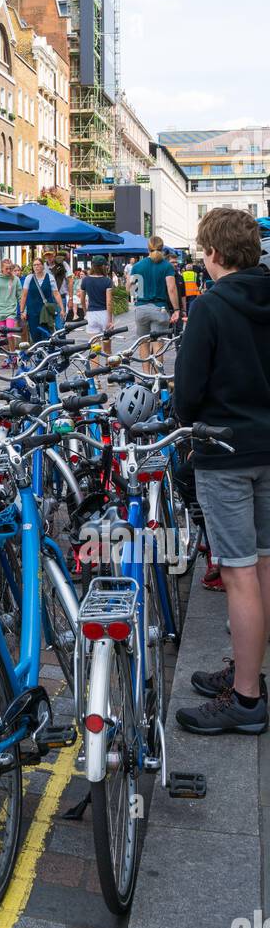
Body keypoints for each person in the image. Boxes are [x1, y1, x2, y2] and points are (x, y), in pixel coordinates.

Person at [174, 208, 270, 737]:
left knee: (237, 572)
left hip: (227, 451)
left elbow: (188, 391)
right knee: (263, 566)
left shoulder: (210, 306)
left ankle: (247, 699)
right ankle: (249, 669)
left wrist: (189, 423)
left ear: (212, 253)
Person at [128, 236, 179, 371]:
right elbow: (172, 289)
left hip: (142, 309)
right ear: (162, 248)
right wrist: (177, 309)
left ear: (148, 248)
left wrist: (141, 295)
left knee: (143, 343)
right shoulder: (167, 266)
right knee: (158, 344)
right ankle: (158, 376)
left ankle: (146, 377)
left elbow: (132, 288)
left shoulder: (137, 266)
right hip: (159, 309)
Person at [20, 257, 65, 344]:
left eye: (38, 264)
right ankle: (39, 355)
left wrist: (62, 309)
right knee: (35, 334)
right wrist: (22, 311)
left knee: (47, 333)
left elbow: (56, 293)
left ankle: (48, 354)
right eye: (34, 265)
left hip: (46, 311)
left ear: (43, 266)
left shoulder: (50, 277)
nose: (36, 267)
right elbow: (24, 295)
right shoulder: (29, 278)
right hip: (32, 311)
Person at [79, 255, 114, 357]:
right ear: (103, 266)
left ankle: (95, 373)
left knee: (95, 349)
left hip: (91, 315)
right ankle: (108, 370)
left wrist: (86, 312)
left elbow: (82, 299)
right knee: (107, 349)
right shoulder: (107, 281)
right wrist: (110, 320)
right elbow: (109, 302)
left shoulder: (85, 280)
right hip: (104, 314)